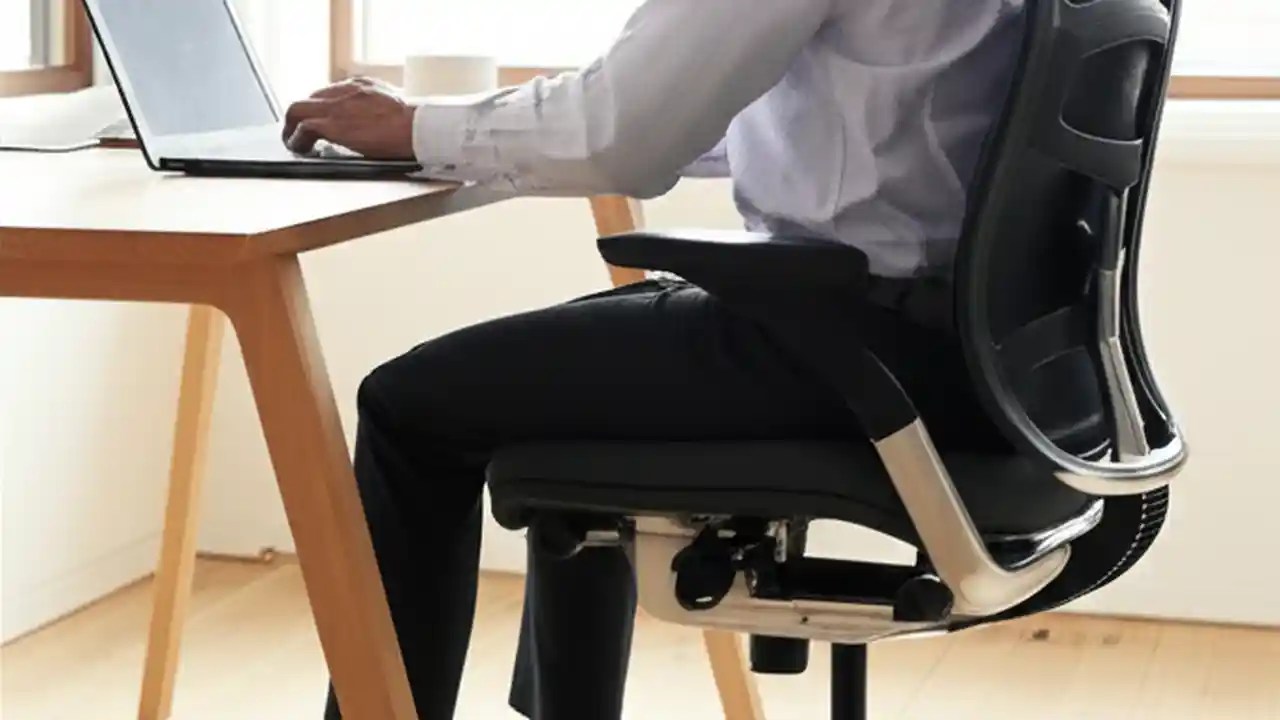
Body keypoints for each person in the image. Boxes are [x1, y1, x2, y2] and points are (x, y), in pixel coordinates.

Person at [285, 0, 1027, 717]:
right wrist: (452, 125)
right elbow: (747, 116)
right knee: (558, 392)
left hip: (844, 349)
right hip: (980, 350)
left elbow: (622, 137)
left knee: (408, 406)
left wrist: (418, 126)